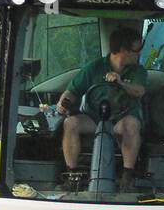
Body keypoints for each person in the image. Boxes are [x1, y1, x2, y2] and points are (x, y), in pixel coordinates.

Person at [55, 26, 148, 191]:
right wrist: (63, 103)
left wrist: (120, 82)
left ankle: (127, 177)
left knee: (131, 125)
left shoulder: (138, 70)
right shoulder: (94, 68)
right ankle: (72, 176)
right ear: (123, 50)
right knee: (71, 123)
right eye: (137, 49)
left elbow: (139, 91)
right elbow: (72, 91)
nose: (139, 53)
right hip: (95, 119)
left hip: (122, 118)